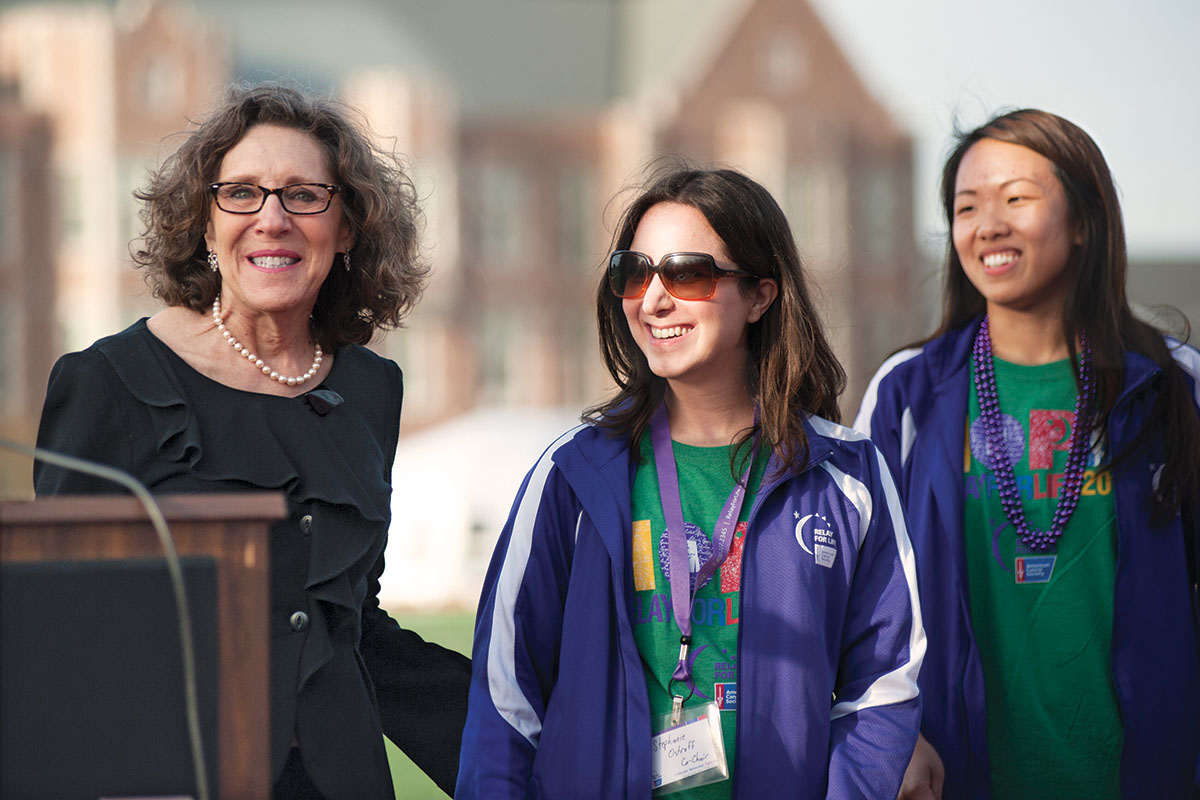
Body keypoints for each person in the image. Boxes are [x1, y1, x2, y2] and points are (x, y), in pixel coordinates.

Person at [34, 83, 471, 800]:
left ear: (349, 227)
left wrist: (534, 742)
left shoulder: (371, 390)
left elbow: (355, 628)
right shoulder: (107, 383)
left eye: (304, 195)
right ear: (205, 225)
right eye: (241, 193)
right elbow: (59, 640)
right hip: (175, 780)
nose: (272, 219)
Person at [456, 164, 925, 799]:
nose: (653, 299)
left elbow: (883, 686)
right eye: (634, 273)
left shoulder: (848, 475)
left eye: (686, 274)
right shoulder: (572, 475)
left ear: (761, 295)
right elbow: (504, 695)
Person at [854, 109, 1200, 799]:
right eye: (967, 206)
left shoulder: (1171, 384)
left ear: (1083, 223)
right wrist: (890, 736)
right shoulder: (907, 393)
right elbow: (858, 600)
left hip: (1145, 772)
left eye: (1017, 198)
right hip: (959, 773)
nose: (989, 224)